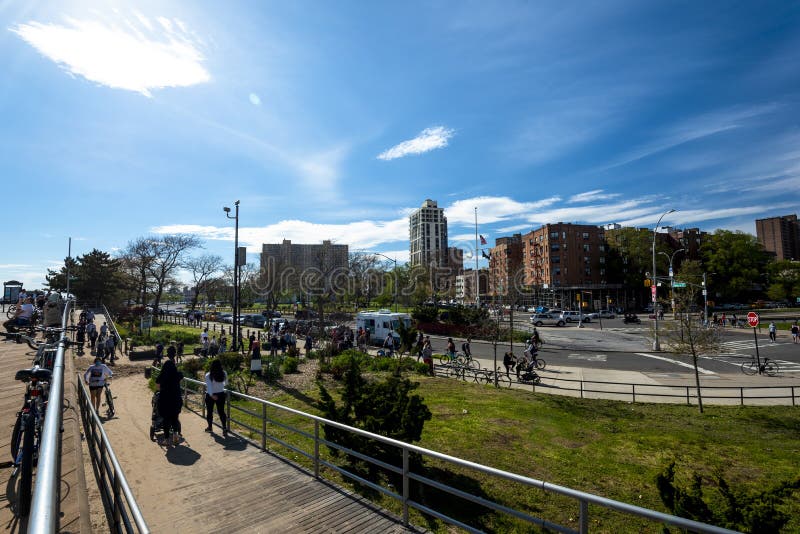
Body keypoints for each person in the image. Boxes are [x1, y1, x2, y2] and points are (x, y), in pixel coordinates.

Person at [155, 352, 184, 446]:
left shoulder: (161, 376)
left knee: (166, 419)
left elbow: (157, 387)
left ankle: (167, 439)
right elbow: (181, 377)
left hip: (165, 400)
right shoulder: (178, 374)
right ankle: (175, 435)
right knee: (175, 418)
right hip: (176, 399)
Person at [204, 359, 228, 436]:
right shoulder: (224, 373)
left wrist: (211, 395)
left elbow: (209, 386)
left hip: (211, 395)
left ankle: (210, 427)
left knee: (209, 412)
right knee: (221, 412)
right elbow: (226, 383)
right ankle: (224, 428)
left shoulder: (208, 375)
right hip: (221, 394)